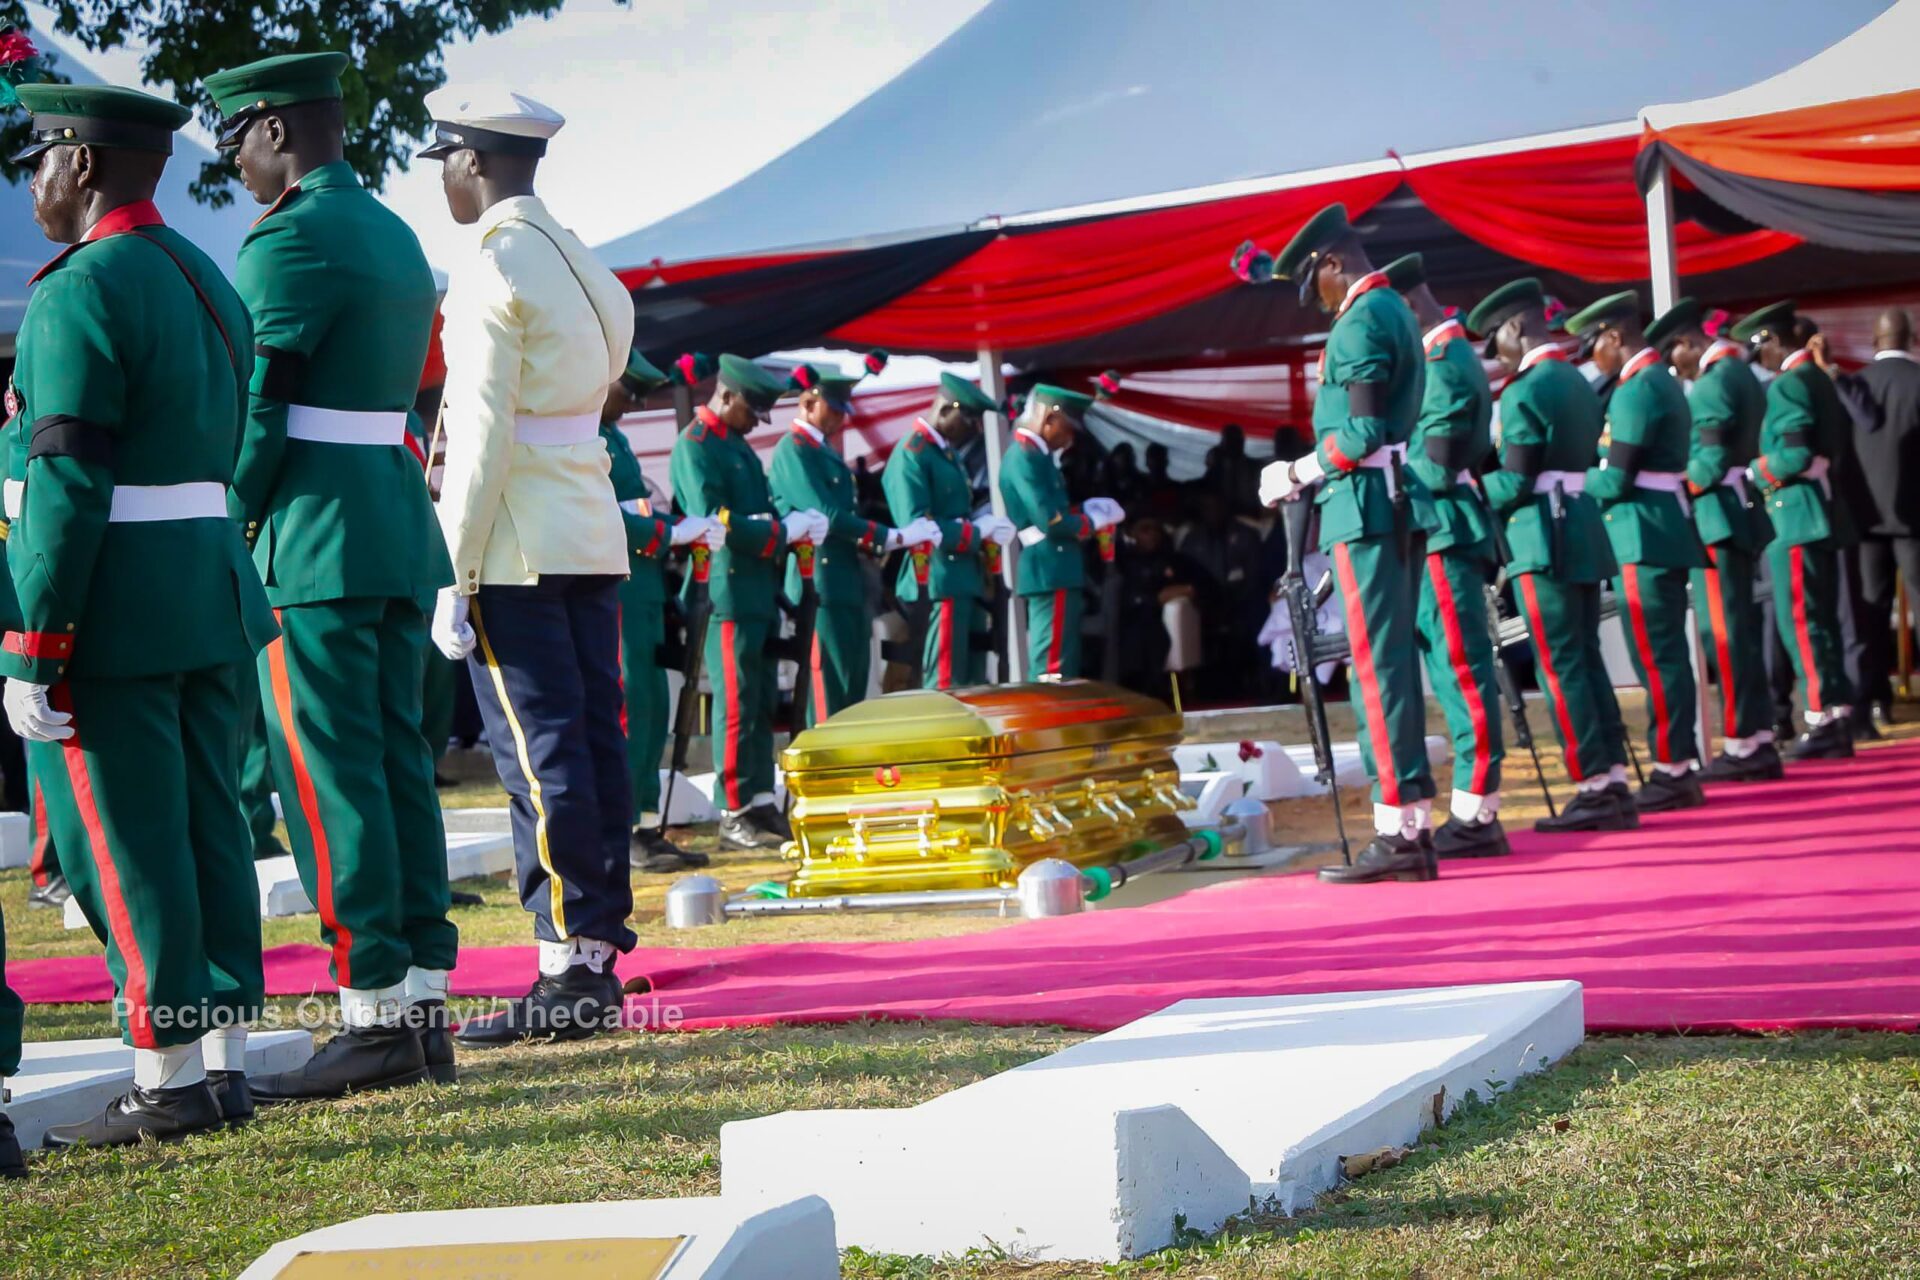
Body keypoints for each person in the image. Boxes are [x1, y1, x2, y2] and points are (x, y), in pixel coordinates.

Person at [5, 83, 276, 1145]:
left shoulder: (81, 289)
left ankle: (165, 1082)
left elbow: (69, 479)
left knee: (126, 837)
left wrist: (34, 641)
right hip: (209, 588)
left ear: (79, 163)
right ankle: (222, 1064)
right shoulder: (206, 272)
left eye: (39, 161)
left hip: (114, 600)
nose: (32, 183)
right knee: (214, 823)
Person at [200, 52, 460, 1099]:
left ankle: (370, 1009)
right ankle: (423, 1002)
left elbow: (261, 401)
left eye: (236, 145)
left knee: (326, 774)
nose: (237, 171)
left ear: (272, 130)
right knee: (399, 766)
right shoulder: (391, 230)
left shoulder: (291, 239)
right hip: (391, 524)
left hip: (312, 534)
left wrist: (227, 509)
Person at [421, 85, 636, 1045]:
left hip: (514, 540)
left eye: (448, 168)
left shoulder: (490, 269)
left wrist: (452, 571)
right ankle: (593, 952)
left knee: (539, 757)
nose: (448, 186)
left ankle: (565, 965)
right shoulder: (585, 263)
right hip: (587, 528)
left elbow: (478, 440)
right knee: (589, 746)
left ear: (470, 162)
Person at [1256, 203, 1440, 883]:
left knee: (1376, 669)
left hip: (1363, 508)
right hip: (1385, 504)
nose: (1317, 302)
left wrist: (1298, 471)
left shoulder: (1362, 320)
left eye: (1316, 285)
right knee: (1390, 665)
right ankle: (1411, 822)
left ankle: (1396, 826)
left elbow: (1360, 434)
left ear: (1332, 263)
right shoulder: (1394, 311)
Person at [1468, 278, 1634, 832]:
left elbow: (1515, 478)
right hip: (1582, 527)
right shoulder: (1576, 379)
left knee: (1561, 666)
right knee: (1586, 659)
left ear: (1516, 328)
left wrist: (1466, 493)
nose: (1498, 355)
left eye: (1498, 341)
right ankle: (1612, 777)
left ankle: (1591, 784)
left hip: (1543, 536)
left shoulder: (1524, 390)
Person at [1382, 253, 1508, 856]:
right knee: (1448, 670)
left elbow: (1432, 464)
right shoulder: (1443, 359)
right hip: (1432, 529)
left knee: (1462, 669)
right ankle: (1471, 805)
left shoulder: (1447, 366)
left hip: (1442, 527)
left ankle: (1478, 811)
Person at [1564, 292, 1708, 812]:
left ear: (1616, 336)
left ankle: (1672, 767)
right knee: (1664, 655)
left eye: (1595, 345)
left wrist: (1568, 485)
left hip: (1641, 531)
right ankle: (1676, 763)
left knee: (1658, 657)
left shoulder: (1637, 389)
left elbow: (1618, 477)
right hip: (1656, 527)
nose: (1593, 357)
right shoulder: (1652, 382)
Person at [670, 355, 821, 848]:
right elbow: (714, 517)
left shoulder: (735, 445)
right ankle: (732, 807)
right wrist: (778, 531)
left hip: (757, 591)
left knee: (758, 700)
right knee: (734, 703)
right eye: (752, 410)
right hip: (727, 591)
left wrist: (789, 520)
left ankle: (758, 797)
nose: (757, 421)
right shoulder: (695, 447)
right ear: (727, 396)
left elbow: (761, 506)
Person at [599, 350, 719, 872]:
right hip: (617, 590)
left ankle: (646, 825)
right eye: (628, 392)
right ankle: (622, 828)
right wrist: (669, 532)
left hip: (644, 592)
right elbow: (605, 516)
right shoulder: (587, 437)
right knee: (628, 710)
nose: (633, 405)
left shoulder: (615, 437)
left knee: (650, 713)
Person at [1655, 298, 1782, 781]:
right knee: (1741, 628)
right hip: (1738, 511)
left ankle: (1743, 740)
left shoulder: (1713, 384)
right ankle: (1758, 733)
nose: (1676, 367)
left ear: (1688, 342)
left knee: (1724, 634)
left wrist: (1669, 483)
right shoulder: (1741, 374)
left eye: (1675, 355)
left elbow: (1706, 465)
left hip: (1715, 517)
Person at [1733, 301, 1857, 759]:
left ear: (1773, 340)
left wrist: (1754, 471)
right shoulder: (1817, 378)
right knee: (1820, 620)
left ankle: (1822, 715)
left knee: (1800, 621)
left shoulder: (1789, 383)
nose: (1758, 355)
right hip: (1818, 509)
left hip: (1795, 513)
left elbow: (1794, 455)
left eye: (1758, 345)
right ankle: (1836, 712)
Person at [770, 359, 909, 727]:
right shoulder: (794, 450)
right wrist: (883, 536)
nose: (839, 419)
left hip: (846, 578)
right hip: (820, 577)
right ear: (809, 402)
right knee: (826, 681)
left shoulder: (824, 450)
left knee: (853, 677)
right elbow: (826, 513)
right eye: (833, 409)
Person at [1817, 308, 1920, 730]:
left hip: (1864, 519)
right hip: (1916, 519)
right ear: (1911, 339)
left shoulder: (1853, 386)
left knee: (1869, 613)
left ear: (1875, 342)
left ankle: (1873, 701)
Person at [881, 372, 1000, 689]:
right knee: (944, 681)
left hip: (963, 579)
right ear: (947, 409)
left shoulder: (946, 453)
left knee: (973, 679)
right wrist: (975, 533)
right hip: (937, 578)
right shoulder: (913, 452)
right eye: (968, 419)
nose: (972, 429)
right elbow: (917, 524)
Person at [997, 385, 1123, 680]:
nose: (1071, 437)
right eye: (1067, 427)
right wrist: (1091, 522)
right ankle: (1043, 724)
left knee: (1062, 659)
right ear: (1048, 418)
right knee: (1051, 665)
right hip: (1048, 564)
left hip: (1057, 564)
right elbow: (1049, 521)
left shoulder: (1038, 457)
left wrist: (1086, 510)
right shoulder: (1025, 457)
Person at [1115, 516, 1207, 696]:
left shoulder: (1172, 559)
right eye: (1145, 530)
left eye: (1156, 530)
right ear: (1131, 533)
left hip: (1159, 624)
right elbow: (1127, 599)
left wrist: (1186, 589)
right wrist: (1155, 599)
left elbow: (1202, 584)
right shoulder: (1125, 562)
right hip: (1132, 622)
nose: (1152, 535)